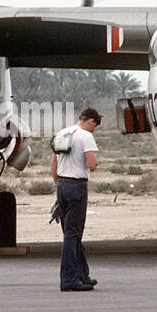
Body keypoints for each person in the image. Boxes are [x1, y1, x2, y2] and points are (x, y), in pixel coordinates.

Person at [51, 107, 101, 292]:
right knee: (72, 235)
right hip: (77, 186)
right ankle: (68, 279)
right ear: (91, 121)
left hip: (62, 185)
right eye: (94, 126)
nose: (93, 130)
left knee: (72, 233)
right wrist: (95, 163)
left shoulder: (63, 132)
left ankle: (82, 275)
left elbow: (54, 163)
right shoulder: (85, 136)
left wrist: (58, 185)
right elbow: (91, 163)